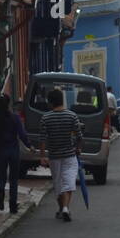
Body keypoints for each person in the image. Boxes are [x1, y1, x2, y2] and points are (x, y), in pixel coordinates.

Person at [39, 87, 83, 222]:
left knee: (58, 183)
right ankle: (64, 208)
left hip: (54, 157)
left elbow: (43, 138)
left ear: (50, 102)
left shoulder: (45, 118)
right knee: (69, 182)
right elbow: (79, 135)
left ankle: (62, 208)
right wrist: (78, 148)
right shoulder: (72, 115)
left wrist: (42, 156)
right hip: (69, 155)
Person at [0, 93, 33, 214]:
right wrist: (29, 145)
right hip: (13, 151)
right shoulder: (15, 117)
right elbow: (22, 134)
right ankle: (13, 204)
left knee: (1, 177)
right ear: (8, 104)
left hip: (0, 150)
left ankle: (0, 192)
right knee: (13, 179)